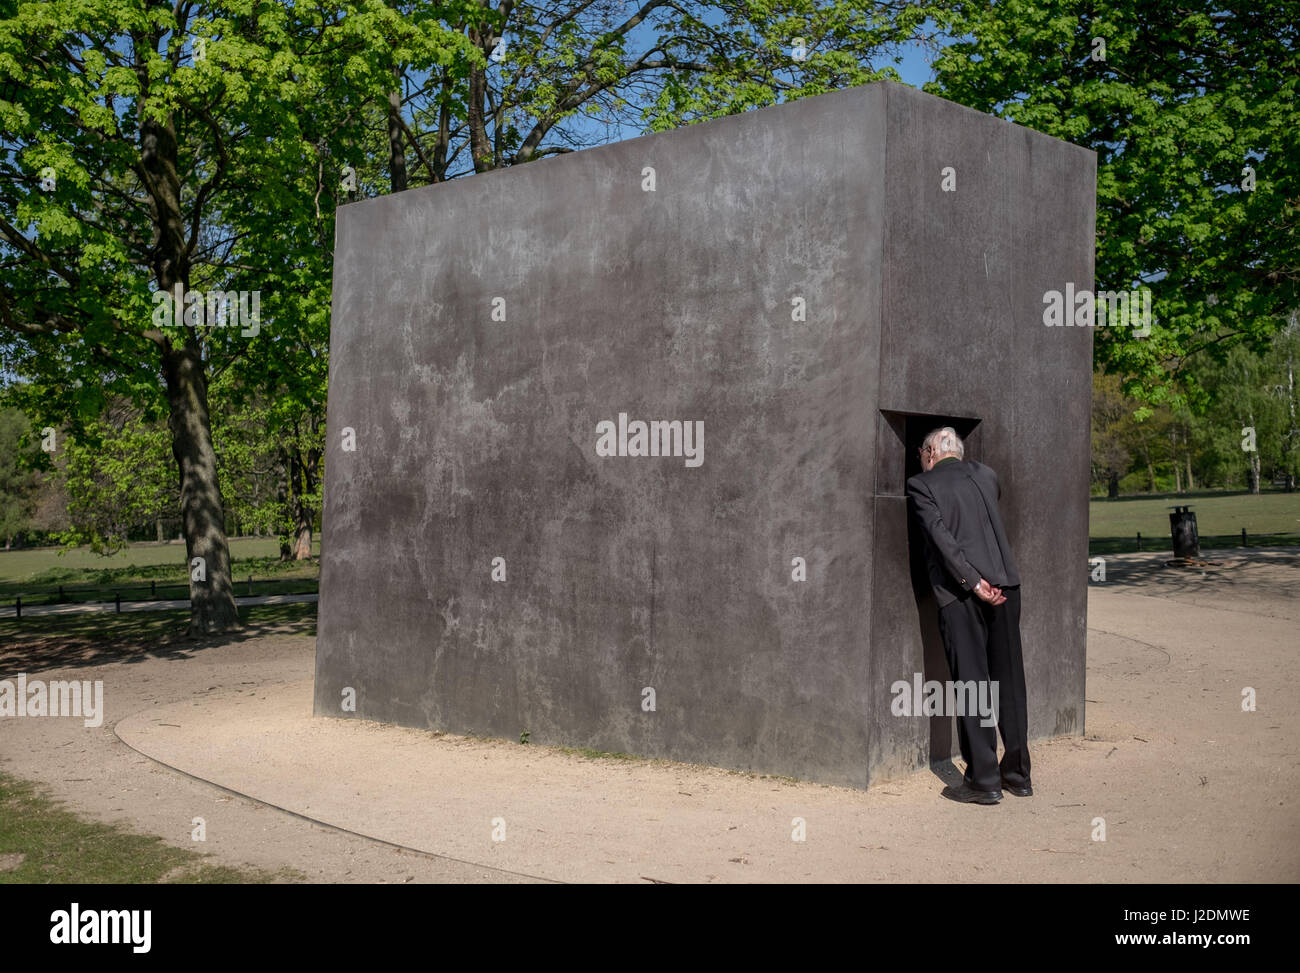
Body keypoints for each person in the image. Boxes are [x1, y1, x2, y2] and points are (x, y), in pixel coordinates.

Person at [905, 426, 1032, 805]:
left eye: (921, 453)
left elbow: (942, 538)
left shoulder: (921, 485)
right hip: (1007, 588)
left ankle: (984, 781)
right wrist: (990, 582)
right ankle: (1018, 776)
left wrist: (974, 583)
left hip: (962, 595)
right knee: (1010, 682)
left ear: (929, 452)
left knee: (973, 684)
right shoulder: (985, 474)